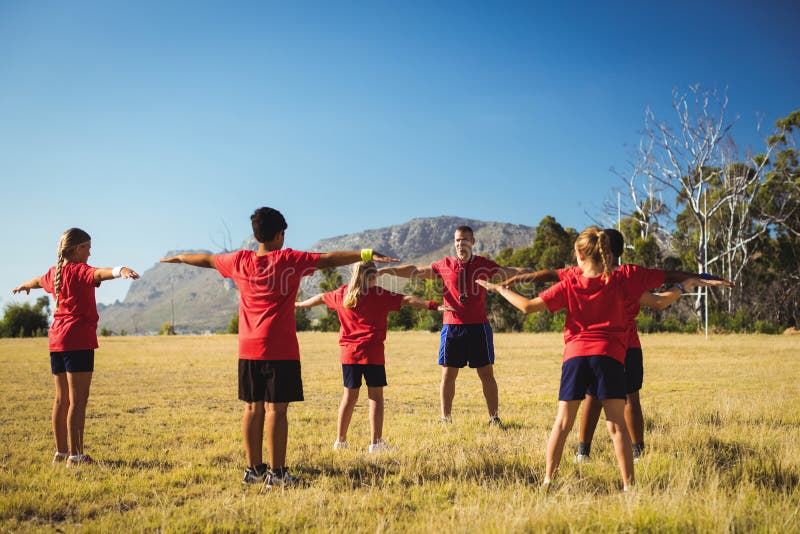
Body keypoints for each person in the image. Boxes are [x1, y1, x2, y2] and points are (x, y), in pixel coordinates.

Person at [160, 207, 398, 487]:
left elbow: (206, 259)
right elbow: (329, 259)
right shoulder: (289, 259)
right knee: (276, 410)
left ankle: (253, 470)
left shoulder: (239, 260)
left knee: (251, 408)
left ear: (256, 235)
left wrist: (178, 258)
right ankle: (278, 473)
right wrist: (366, 254)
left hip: (248, 348)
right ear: (280, 234)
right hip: (279, 348)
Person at [478, 226, 720, 491]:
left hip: (575, 358)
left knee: (562, 423)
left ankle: (548, 481)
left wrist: (499, 290)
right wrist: (685, 286)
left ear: (580, 255)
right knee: (617, 427)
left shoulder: (570, 282)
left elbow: (527, 307)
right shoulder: (621, 281)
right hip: (610, 357)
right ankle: (629, 487)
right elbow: (659, 301)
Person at [377, 225, 529, 426]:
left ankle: (494, 418)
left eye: (465, 239)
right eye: (457, 240)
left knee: (486, 374)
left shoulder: (483, 265)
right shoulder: (445, 265)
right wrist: (389, 270)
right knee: (448, 375)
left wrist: (532, 274)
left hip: (479, 328)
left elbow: (509, 272)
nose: (460, 243)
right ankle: (445, 418)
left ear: (473, 242)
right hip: (452, 328)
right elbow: (416, 271)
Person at [12, 228, 139, 467]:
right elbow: (101, 274)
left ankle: (60, 453)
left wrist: (24, 285)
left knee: (62, 399)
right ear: (76, 249)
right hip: (77, 339)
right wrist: (120, 270)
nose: (90, 253)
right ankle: (77, 457)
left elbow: (38, 281)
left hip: (57, 340)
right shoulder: (79, 271)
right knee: (78, 400)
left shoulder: (54, 273)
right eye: (87, 248)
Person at [296, 261, 453, 453]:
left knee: (349, 397)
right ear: (371, 276)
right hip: (372, 354)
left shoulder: (342, 294)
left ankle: (340, 442)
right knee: (376, 398)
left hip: (349, 355)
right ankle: (375, 444)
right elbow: (408, 299)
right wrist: (434, 306)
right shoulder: (379, 295)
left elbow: (320, 297)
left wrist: (299, 305)